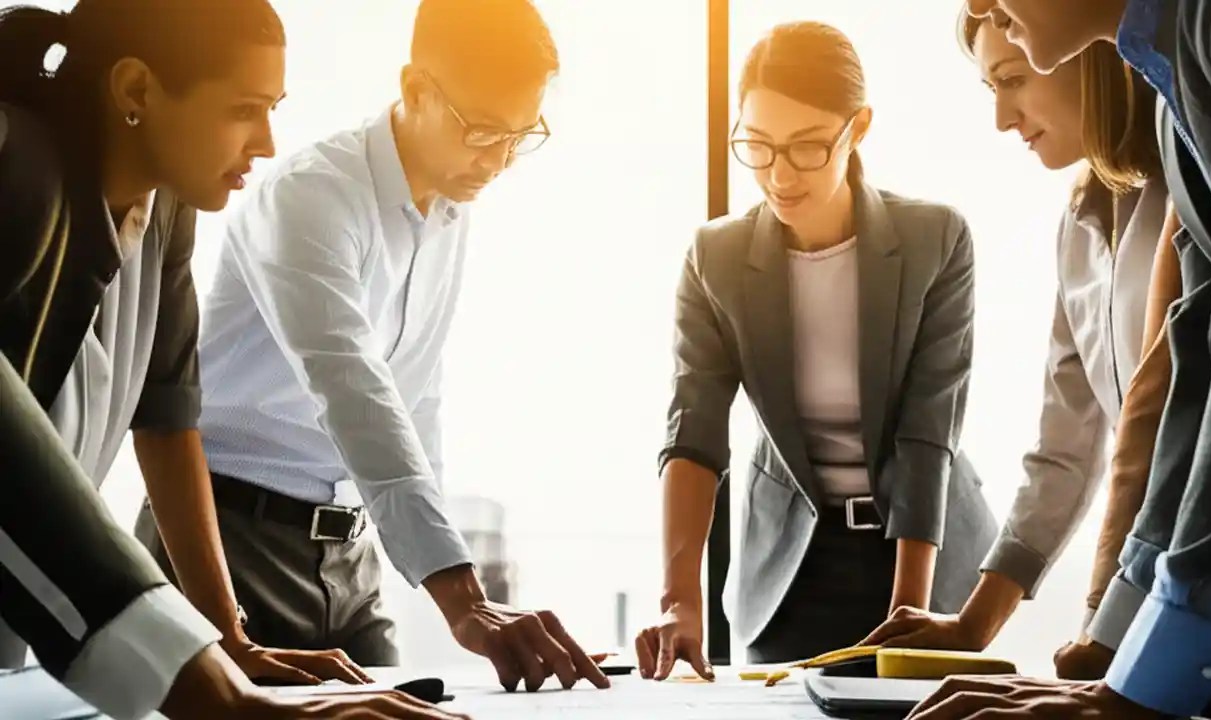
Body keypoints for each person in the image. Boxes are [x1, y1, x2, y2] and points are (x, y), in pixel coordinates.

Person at [0, 1, 470, 718]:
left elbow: (168, 419)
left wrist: (230, 641)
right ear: (135, 89)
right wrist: (223, 699)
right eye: (244, 110)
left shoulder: (164, 207)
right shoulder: (17, 169)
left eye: (273, 109)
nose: (267, 142)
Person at [140, 0, 609, 695]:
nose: (499, 160)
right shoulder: (311, 197)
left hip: (351, 557)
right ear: (415, 89)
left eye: (520, 135)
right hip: (234, 541)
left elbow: (415, 400)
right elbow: (354, 391)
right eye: (483, 131)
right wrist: (461, 598)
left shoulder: (449, 206)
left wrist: (458, 581)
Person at [908, 0, 1211, 718]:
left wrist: (1135, 676)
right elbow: (1191, 376)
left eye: (1011, 79)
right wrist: (1117, 655)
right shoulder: (1176, 111)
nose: (979, 5)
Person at [634, 20, 998, 679]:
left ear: (858, 128)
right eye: (757, 145)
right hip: (790, 568)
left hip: (925, 554)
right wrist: (679, 600)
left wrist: (908, 609)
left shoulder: (936, 239)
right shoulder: (715, 258)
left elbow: (927, 432)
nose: (778, 174)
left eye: (806, 147)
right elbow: (693, 433)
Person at [861, 9, 1182, 682]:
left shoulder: (1188, 188)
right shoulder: (1078, 225)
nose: (1003, 119)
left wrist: (1102, 623)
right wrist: (972, 624)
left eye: (1012, 80)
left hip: (1210, 574)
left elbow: (1160, 429)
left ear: (1087, 55)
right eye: (991, 89)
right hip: (1149, 587)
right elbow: (1065, 450)